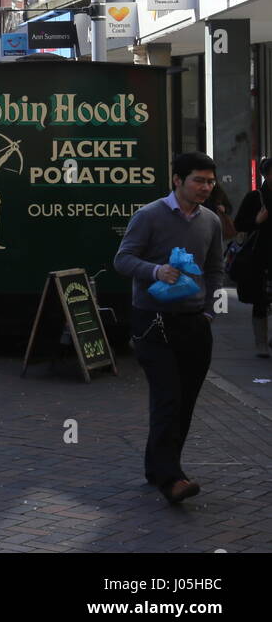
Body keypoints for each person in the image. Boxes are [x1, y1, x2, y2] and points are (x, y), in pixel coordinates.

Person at [113, 151, 225, 505]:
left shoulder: (211, 221)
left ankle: (157, 467)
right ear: (177, 180)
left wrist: (208, 312)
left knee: (185, 402)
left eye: (210, 181)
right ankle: (171, 478)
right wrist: (156, 271)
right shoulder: (148, 216)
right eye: (198, 180)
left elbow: (215, 268)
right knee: (168, 398)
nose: (206, 187)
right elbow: (122, 259)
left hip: (195, 323)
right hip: (153, 322)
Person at [233, 156, 272, 359]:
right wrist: (256, 220)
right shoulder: (255, 198)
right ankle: (261, 344)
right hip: (260, 257)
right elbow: (238, 224)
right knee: (261, 301)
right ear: (266, 175)